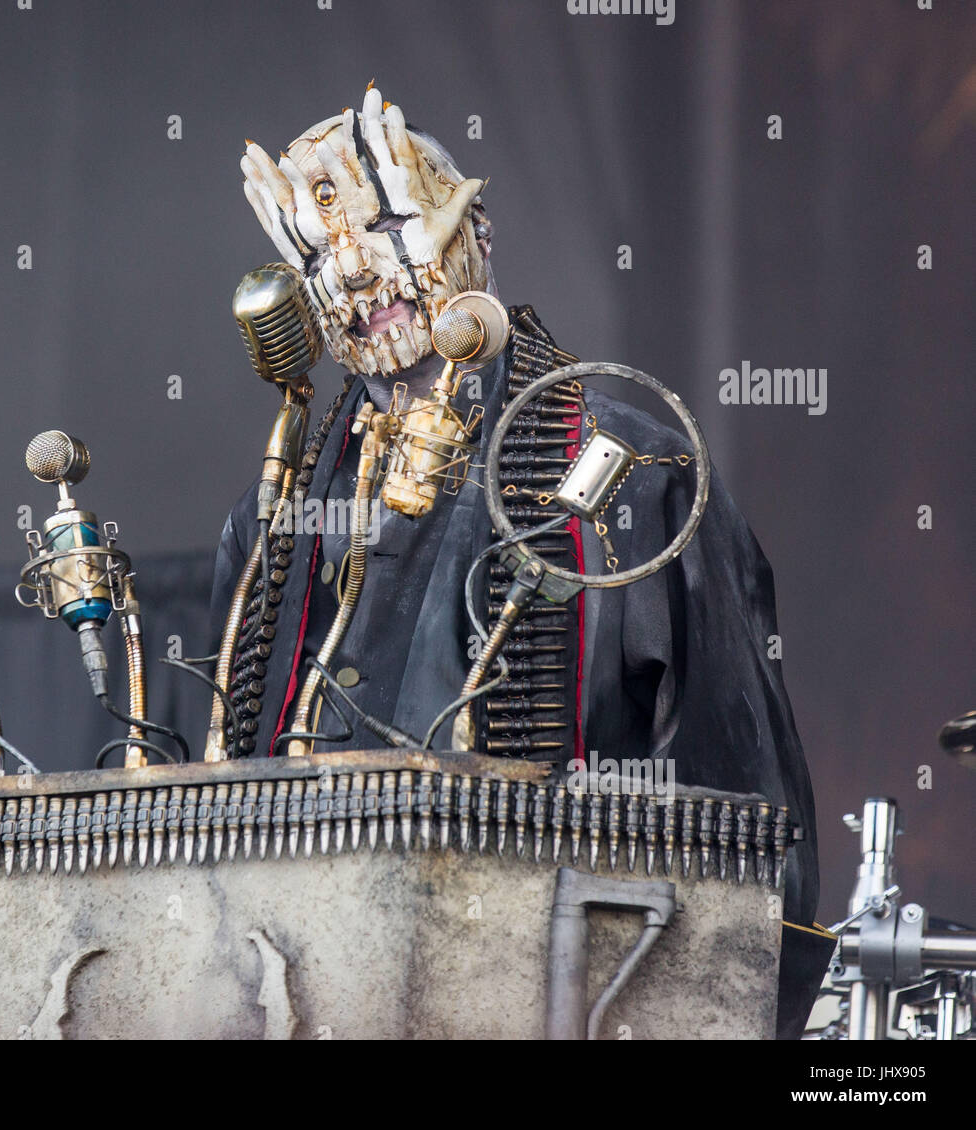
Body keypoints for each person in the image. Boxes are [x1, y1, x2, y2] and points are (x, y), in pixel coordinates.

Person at [210, 84, 830, 1037]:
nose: (357, 274)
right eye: (318, 254)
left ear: (477, 235)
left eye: (382, 228)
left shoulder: (632, 478)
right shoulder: (272, 525)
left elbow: (748, 836)